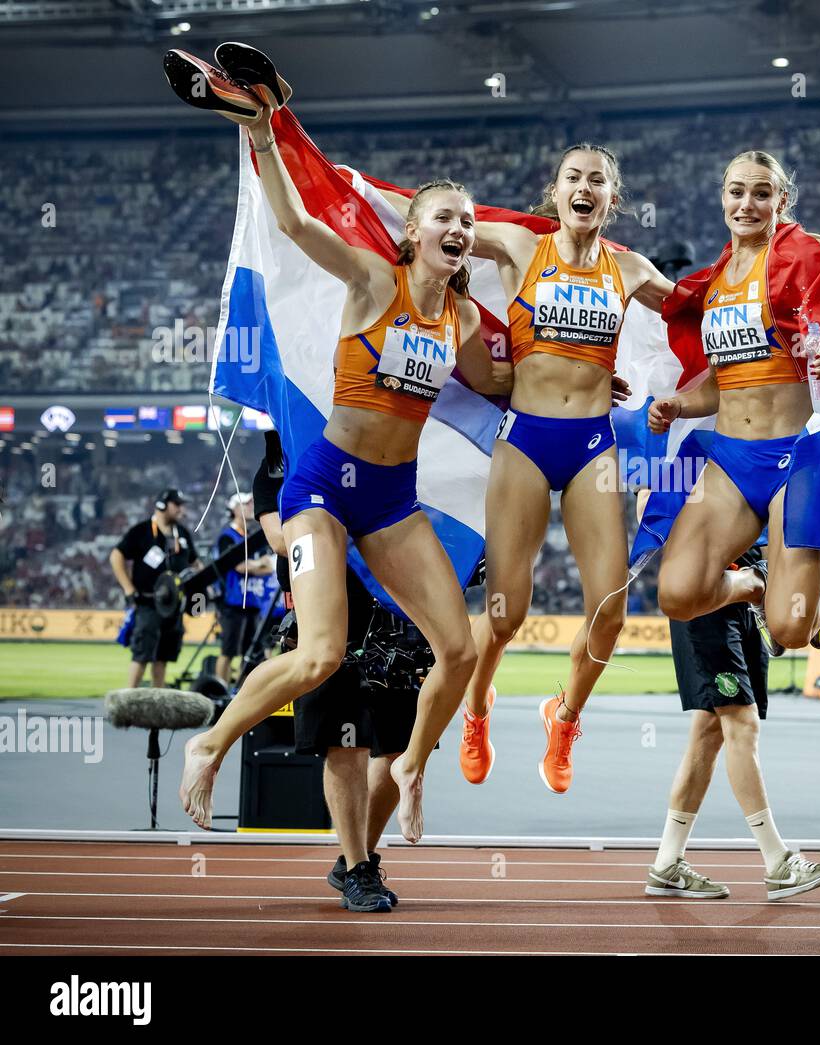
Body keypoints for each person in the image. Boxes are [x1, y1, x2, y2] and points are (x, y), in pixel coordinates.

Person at [176, 64, 508, 840]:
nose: (459, 230)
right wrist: (262, 137)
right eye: (444, 220)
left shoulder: (459, 319)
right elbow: (294, 226)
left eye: (466, 221)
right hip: (323, 489)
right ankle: (212, 740)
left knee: (456, 649)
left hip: (393, 500)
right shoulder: (370, 279)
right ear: (412, 232)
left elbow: (497, 380)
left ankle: (412, 763)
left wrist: (580, 374)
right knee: (322, 654)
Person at [452, 143, 676, 794]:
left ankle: (565, 716)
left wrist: (785, 280)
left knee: (610, 606)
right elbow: (443, 222)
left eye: (597, 181)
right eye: (573, 178)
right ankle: (477, 702)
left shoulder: (631, 269)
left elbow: (699, 312)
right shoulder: (523, 248)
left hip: (591, 444)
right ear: (554, 193)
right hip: (524, 437)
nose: (585, 187)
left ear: (612, 198)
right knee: (504, 611)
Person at [651, 151, 820, 659]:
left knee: (790, 630)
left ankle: (817, 603)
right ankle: (757, 585)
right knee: (677, 594)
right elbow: (722, 385)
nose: (747, 203)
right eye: (737, 191)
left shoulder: (801, 262)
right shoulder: (715, 282)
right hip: (731, 461)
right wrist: (679, 404)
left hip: (797, 460)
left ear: (781, 201)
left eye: (761, 193)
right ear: (723, 198)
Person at [641, 488, 820, 901]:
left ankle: (666, 862)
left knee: (709, 732)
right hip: (711, 588)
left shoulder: (762, 442)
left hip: (754, 587)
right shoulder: (684, 442)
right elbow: (648, 506)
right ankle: (777, 860)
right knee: (741, 724)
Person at [252, 433, 414, 913]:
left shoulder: (379, 446)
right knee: (346, 741)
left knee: (401, 743)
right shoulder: (277, 469)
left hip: (396, 607)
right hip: (325, 614)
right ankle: (360, 866)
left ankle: (354, 857)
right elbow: (282, 540)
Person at [109, 488, 199, 688]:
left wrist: (200, 587)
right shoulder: (141, 531)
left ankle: (157, 706)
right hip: (148, 602)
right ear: (162, 505)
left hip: (175, 606)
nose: (181, 510)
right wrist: (128, 589)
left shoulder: (182, 533)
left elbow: (195, 563)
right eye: (177, 505)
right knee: (142, 655)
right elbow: (116, 556)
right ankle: (128, 704)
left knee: (163, 657)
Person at [213, 492, 277, 685]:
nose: (251, 507)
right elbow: (239, 566)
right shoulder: (227, 536)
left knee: (251, 652)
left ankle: (242, 691)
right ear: (234, 509)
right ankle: (221, 689)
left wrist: (254, 565)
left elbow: (267, 568)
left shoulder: (251, 536)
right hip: (232, 603)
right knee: (228, 650)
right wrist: (259, 564)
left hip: (252, 601)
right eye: (246, 504)